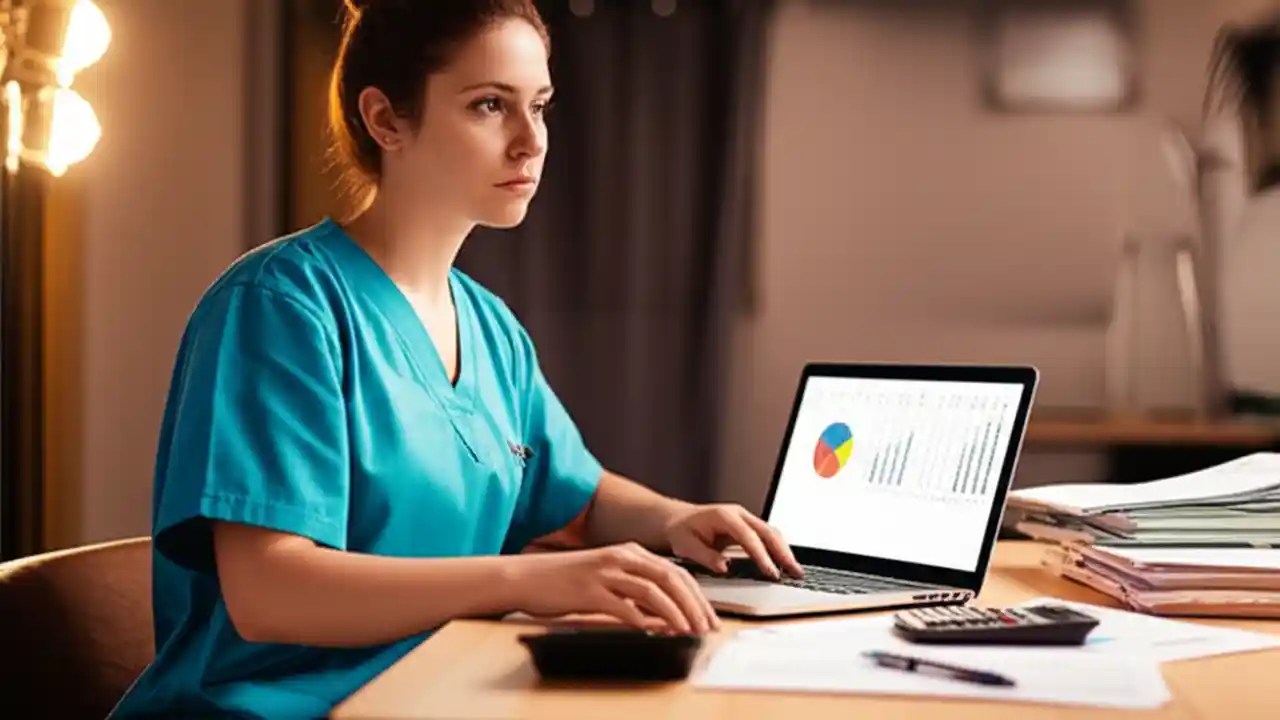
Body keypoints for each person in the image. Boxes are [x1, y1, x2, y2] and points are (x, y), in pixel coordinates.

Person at [109, 1, 801, 717]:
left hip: (435, 697)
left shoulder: (491, 328)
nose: (530, 141)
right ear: (385, 120)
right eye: (489, 106)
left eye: (540, 105)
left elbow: (577, 497)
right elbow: (270, 593)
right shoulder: (281, 306)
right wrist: (530, 582)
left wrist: (675, 518)